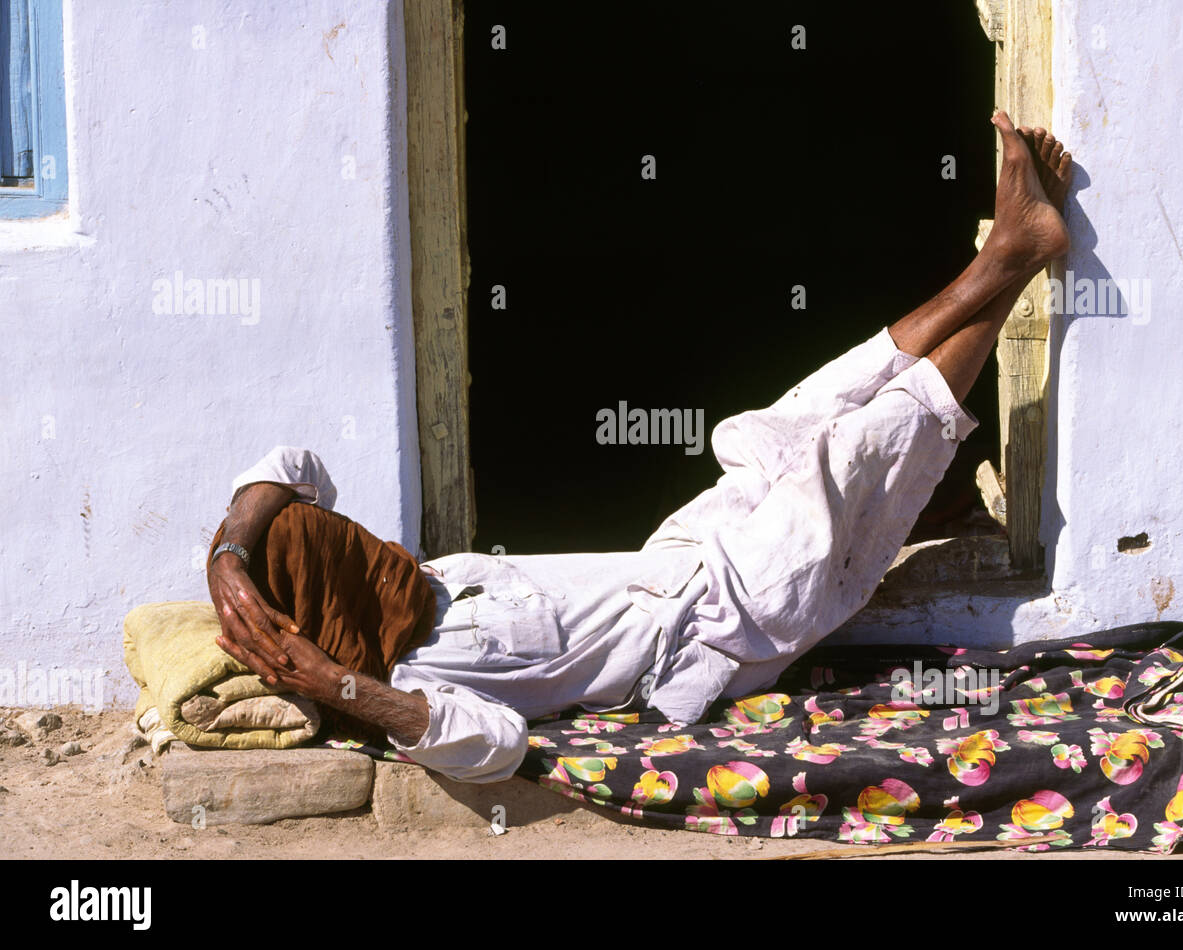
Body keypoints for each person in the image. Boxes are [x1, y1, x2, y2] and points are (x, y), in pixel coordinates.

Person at [206, 111, 1073, 782]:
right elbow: (497, 749)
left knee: (816, 401)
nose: (376, 552)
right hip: (732, 612)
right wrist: (338, 687)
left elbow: (295, 468)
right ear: (336, 631)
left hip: (689, 543)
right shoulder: (425, 679)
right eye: (351, 568)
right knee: (866, 442)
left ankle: (1005, 255)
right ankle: (1014, 253)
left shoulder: (423, 586)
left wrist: (232, 553)